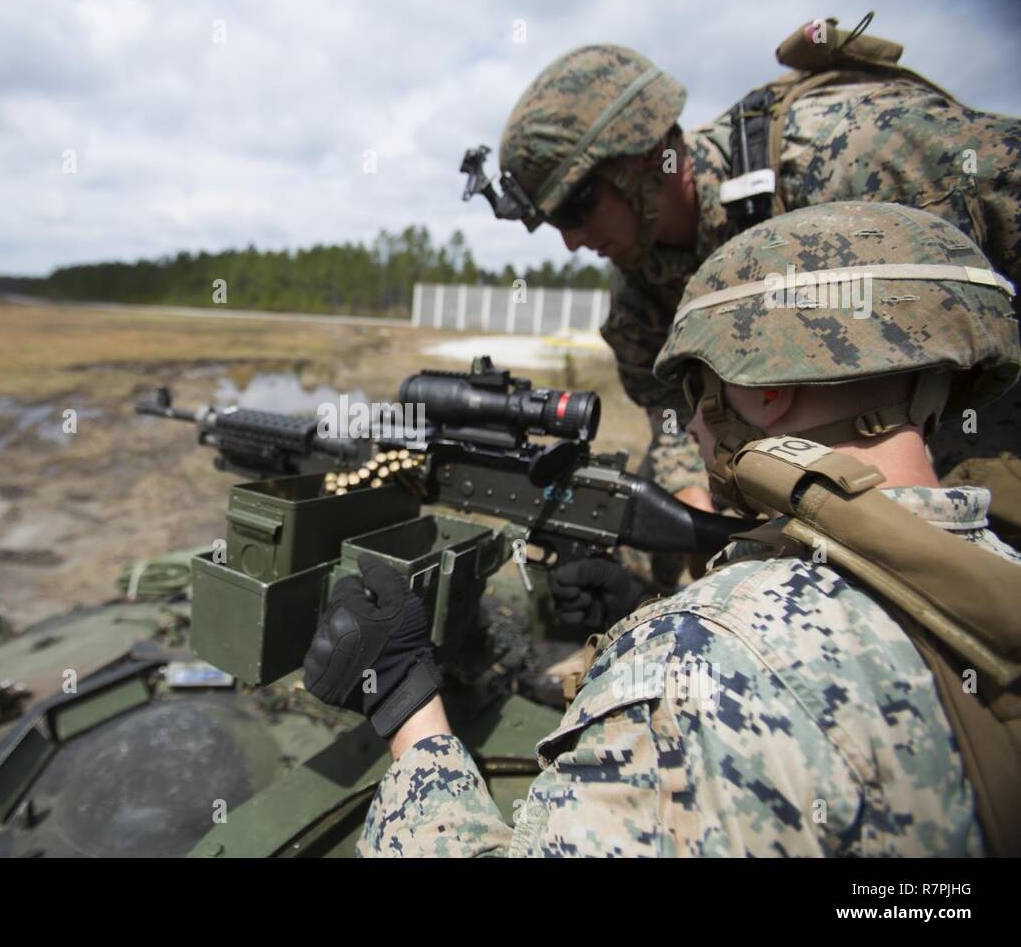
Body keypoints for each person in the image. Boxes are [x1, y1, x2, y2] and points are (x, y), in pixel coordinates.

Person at [304, 201, 1021, 856]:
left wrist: (409, 713)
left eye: (697, 385)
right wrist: (642, 619)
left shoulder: (696, 671)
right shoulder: (988, 573)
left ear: (764, 386)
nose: (696, 420)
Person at [465, 17, 1021, 559]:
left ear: (639, 156)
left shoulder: (852, 152)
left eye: (575, 207)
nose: (571, 242)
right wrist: (688, 491)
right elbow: (666, 411)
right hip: (838, 519)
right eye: (551, 221)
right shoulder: (641, 297)